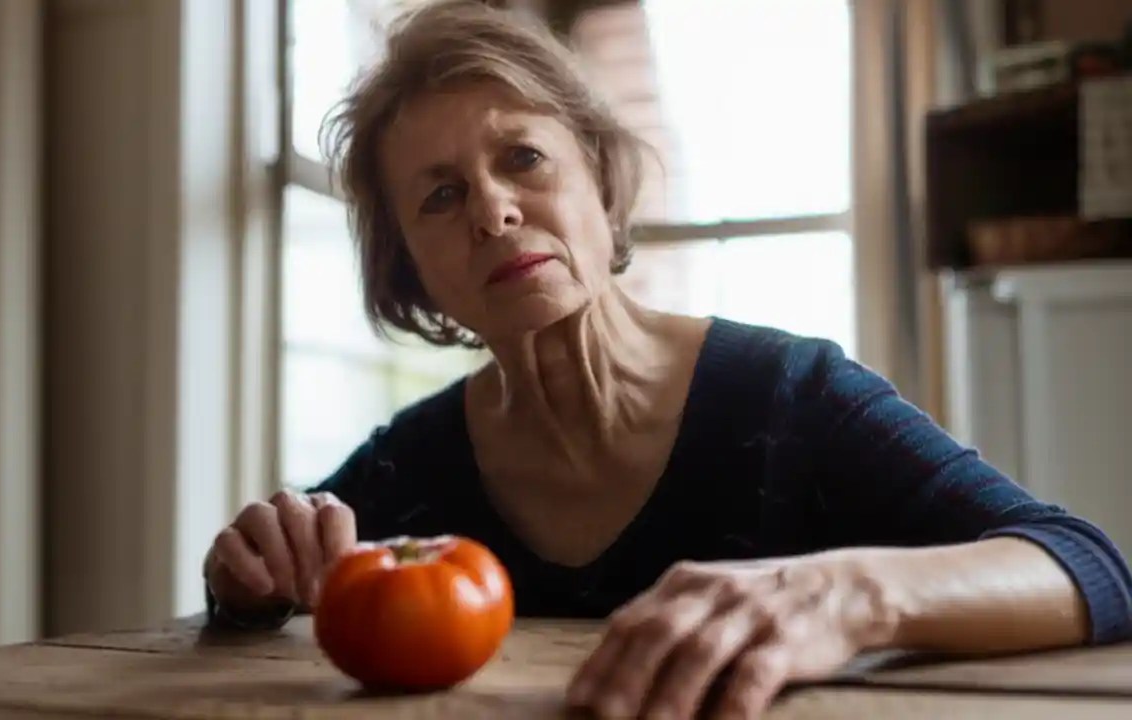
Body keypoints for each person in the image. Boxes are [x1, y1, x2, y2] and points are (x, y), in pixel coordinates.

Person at [202, 2, 1132, 718]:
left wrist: (845, 593)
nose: (492, 211)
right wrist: (246, 580)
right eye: (441, 197)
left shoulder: (789, 397)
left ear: (603, 189)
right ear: (410, 270)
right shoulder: (412, 465)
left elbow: (1085, 568)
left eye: (522, 158)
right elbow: (276, 583)